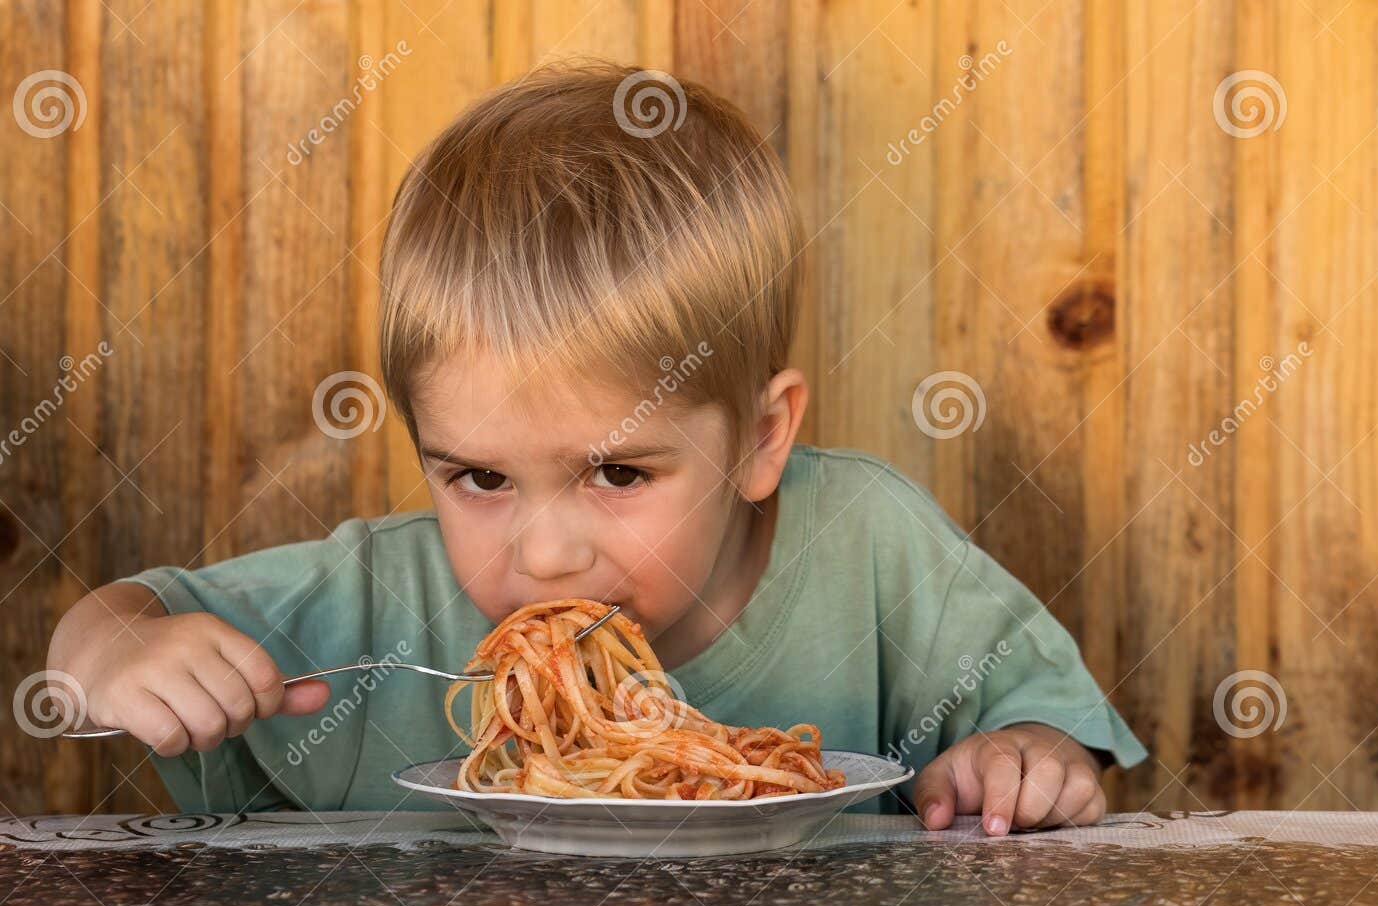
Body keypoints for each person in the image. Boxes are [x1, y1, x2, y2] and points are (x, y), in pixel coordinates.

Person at [47, 62, 1145, 831]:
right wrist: (111, 655)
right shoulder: (378, 601)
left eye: (617, 472)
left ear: (762, 438)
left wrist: (1027, 759)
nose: (545, 554)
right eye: (478, 477)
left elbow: (1044, 725)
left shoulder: (867, 543)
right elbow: (123, 616)